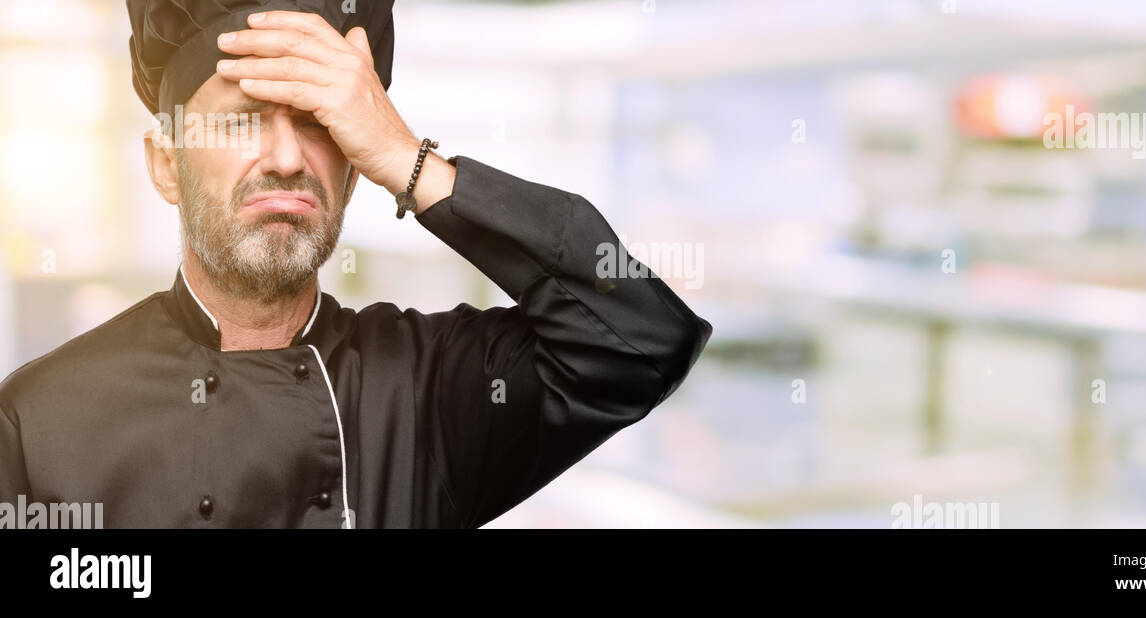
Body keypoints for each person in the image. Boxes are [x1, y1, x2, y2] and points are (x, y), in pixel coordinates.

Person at [0, 0, 710, 528]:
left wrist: (411, 161)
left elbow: (640, 340)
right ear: (166, 165)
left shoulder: (430, 388)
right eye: (243, 117)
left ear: (351, 168)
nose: (285, 157)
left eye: (319, 121)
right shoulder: (38, 423)